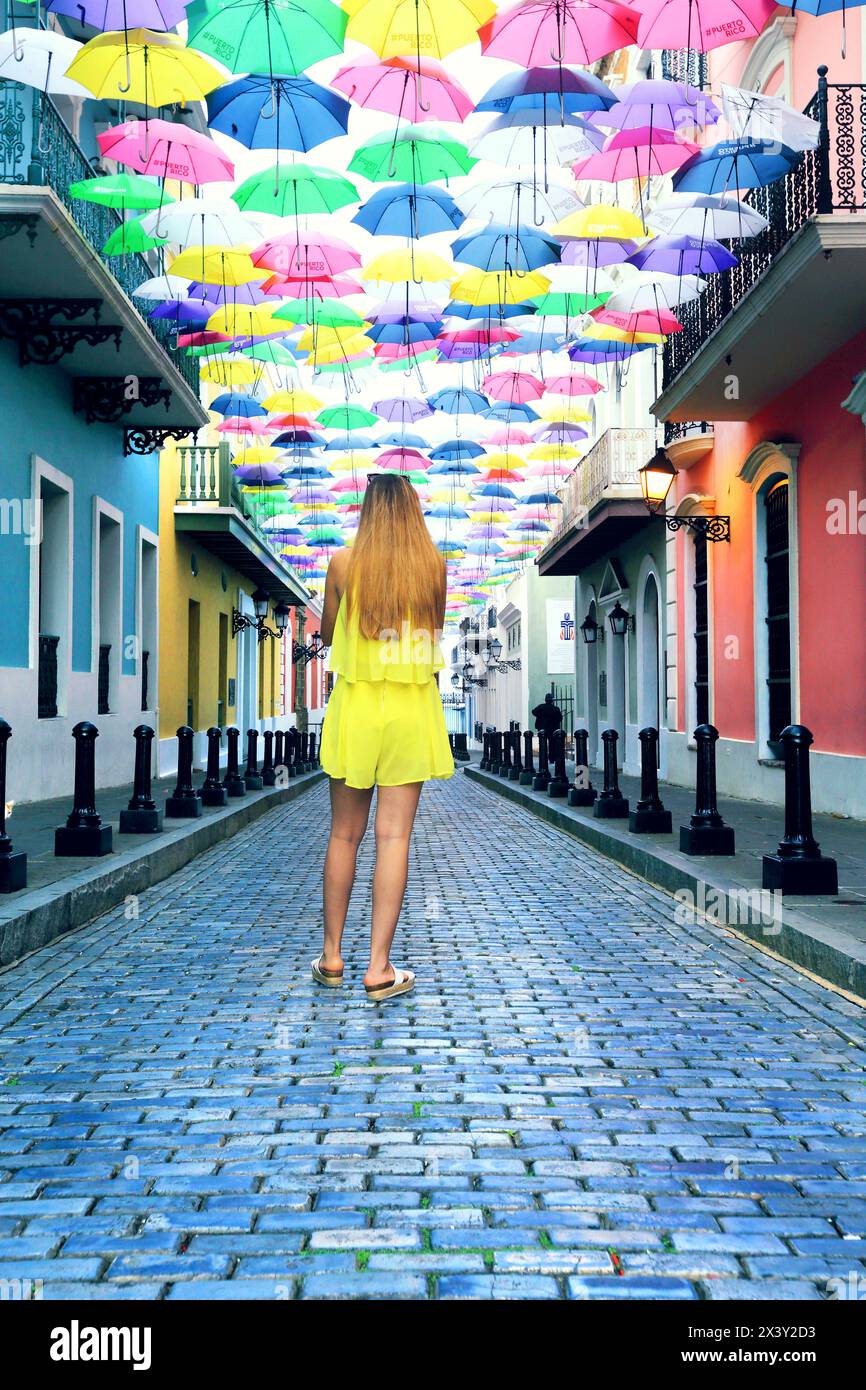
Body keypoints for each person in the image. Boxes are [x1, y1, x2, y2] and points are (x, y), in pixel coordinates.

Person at [315, 474, 454, 1003]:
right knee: (393, 837)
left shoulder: (343, 565)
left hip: (355, 706)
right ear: (413, 510)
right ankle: (378, 967)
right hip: (410, 705)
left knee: (344, 835)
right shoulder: (433, 568)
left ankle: (331, 957)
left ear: (368, 511)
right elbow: (431, 634)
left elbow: (328, 635)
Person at [532, 692, 563, 764]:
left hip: (542, 728)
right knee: (552, 744)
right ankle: (552, 759)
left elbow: (533, 712)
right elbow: (560, 718)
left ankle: (543, 758)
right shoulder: (555, 709)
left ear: (545, 700)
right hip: (553, 729)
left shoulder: (541, 707)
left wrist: (540, 716)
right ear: (552, 700)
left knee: (542, 743)